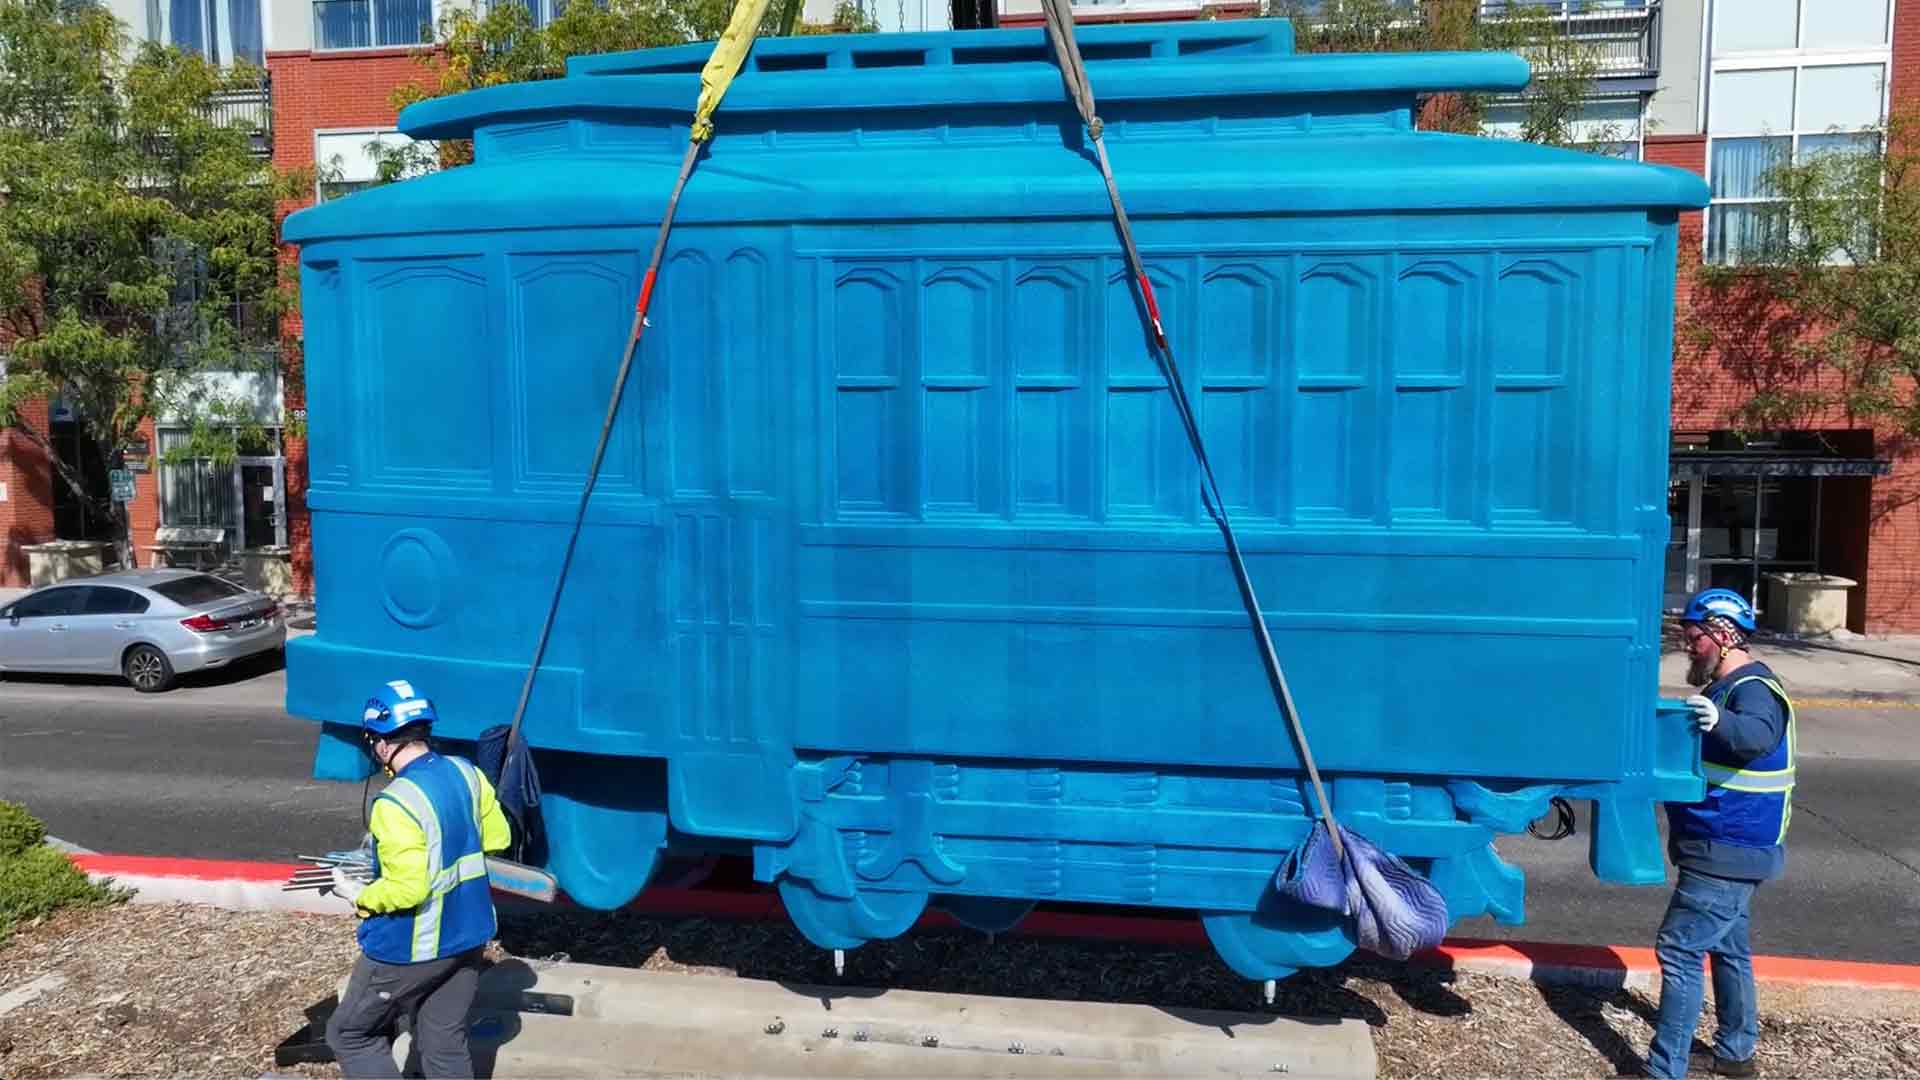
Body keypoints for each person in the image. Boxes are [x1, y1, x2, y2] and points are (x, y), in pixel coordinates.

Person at [325, 680, 512, 1079]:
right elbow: (498, 837)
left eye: (372, 741)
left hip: (412, 946)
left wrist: (360, 894)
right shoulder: (467, 773)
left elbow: (408, 889)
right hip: (468, 935)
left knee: (351, 1034)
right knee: (443, 1040)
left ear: (381, 742)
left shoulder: (394, 804)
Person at [1646, 589, 1796, 1079]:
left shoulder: (1752, 692)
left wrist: (1721, 722)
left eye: (1693, 637)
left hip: (1726, 850)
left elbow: (1755, 736)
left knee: (1680, 949)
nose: (1688, 647)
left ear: (1722, 633)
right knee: (1729, 949)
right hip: (1728, 847)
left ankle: (1664, 1071)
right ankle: (1736, 1054)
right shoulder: (1722, 689)